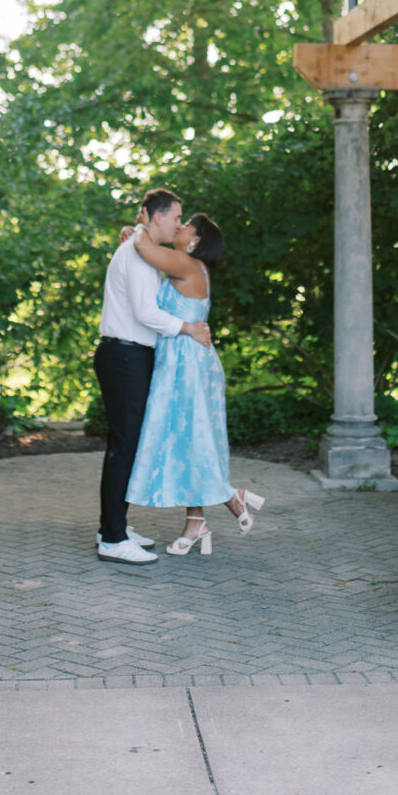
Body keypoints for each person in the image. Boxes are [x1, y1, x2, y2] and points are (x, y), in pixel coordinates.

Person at [125, 212, 264, 555]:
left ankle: (215, 505)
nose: (179, 225)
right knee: (186, 443)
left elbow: (144, 245)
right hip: (180, 363)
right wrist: (136, 234)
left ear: (196, 239)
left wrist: (141, 226)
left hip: (188, 365)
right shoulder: (182, 264)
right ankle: (213, 508)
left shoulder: (186, 264)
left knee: (192, 440)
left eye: (185, 223)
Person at [94, 188, 213, 566]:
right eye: (176, 217)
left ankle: (113, 526)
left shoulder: (142, 251)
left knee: (124, 445)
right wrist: (189, 328)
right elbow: (146, 312)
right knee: (124, 449)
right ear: (155, 216)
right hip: (126, 354)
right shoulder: (140, 255)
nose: (179, 224)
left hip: (128, 354)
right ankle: (112, 540)